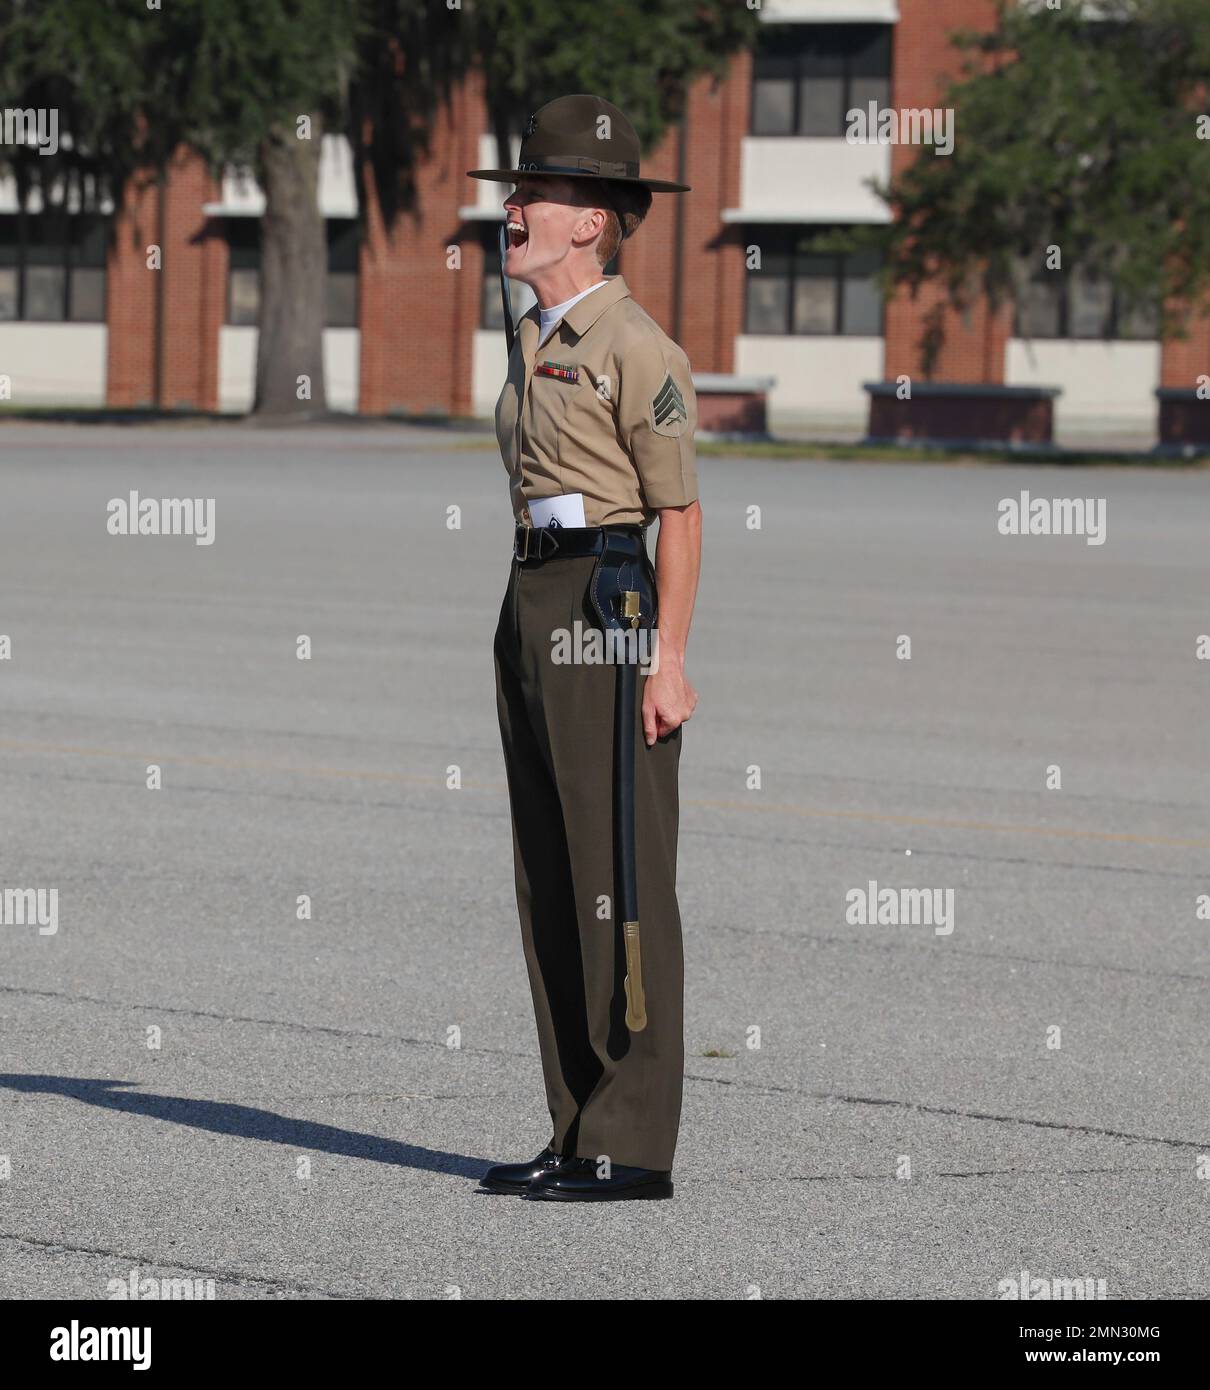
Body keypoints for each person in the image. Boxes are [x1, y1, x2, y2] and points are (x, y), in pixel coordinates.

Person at [468, 94, 702, 1201]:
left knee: (619, 869)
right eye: (515, 191)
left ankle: (634, 1140)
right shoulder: (531, 335)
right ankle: (574, 1122)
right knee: (549, 872)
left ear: (590, 222)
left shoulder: (635, 347)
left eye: (535, 195)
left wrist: (667, 657)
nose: (511, 209)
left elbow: (681, 515)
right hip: (530, 590)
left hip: (607, 603)